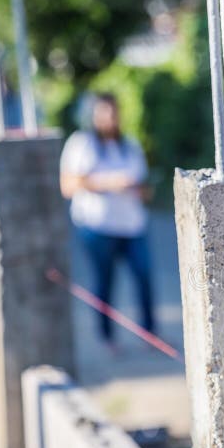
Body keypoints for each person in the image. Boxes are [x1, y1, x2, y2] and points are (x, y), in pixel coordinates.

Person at [60, 93, 155, 349]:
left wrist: (138, 190)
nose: (109, 118)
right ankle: (107, 338)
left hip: (132, 225)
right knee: (104, 283)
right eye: (103, 113)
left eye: (113, 112)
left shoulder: (130, 145)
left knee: (144, 277)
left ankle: (150, 333)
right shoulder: (81, 144)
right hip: (97, 227)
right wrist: (109, 182)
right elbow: (68, 185)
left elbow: (144, 187)